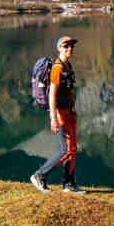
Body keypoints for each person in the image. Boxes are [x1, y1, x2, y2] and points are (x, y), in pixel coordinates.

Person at [30, 35, 84, 194]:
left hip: (69, 111)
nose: (70, 49)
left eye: (72, 46)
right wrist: (53, 117)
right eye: (66, 46)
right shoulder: (57, 68)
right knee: (66, 149)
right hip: (60, 113)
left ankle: (69, 183)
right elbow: (52, 94)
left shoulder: (67, 66)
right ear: (59, 48)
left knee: (72, 148)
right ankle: (39, 175)